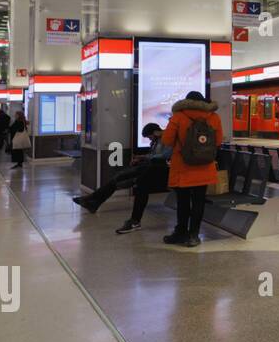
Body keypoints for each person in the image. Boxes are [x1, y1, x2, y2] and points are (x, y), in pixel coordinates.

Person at [72, 123, 171, 233]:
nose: (149, 139)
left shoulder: (167, 139)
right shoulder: (158, 140)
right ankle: (94, 201)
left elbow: (164, 156)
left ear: (155, 132)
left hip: (157, 170)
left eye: (149, 136)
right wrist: (143, 158)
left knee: (122, 180)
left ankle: (93, 200)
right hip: (149, 168)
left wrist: (144, 157)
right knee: (118, 178)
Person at [159, 91, 223, 247]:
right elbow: (218, 141)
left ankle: (180, 232)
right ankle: (194, 235)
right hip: (205, 166)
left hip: (183, 167)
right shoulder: (214, 117)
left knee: (183, 202)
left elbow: (167, 140)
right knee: (199, 202)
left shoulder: (179, 116)